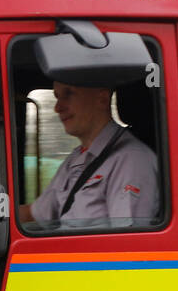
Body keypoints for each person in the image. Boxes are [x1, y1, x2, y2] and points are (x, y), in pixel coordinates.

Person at [19, 81, 159, 230]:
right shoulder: (76, 158)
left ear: (102, 99)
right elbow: (35, 215)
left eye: (69, 94)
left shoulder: (131, 161)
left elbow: (127, 243)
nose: (57, 107)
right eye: (57, 97)